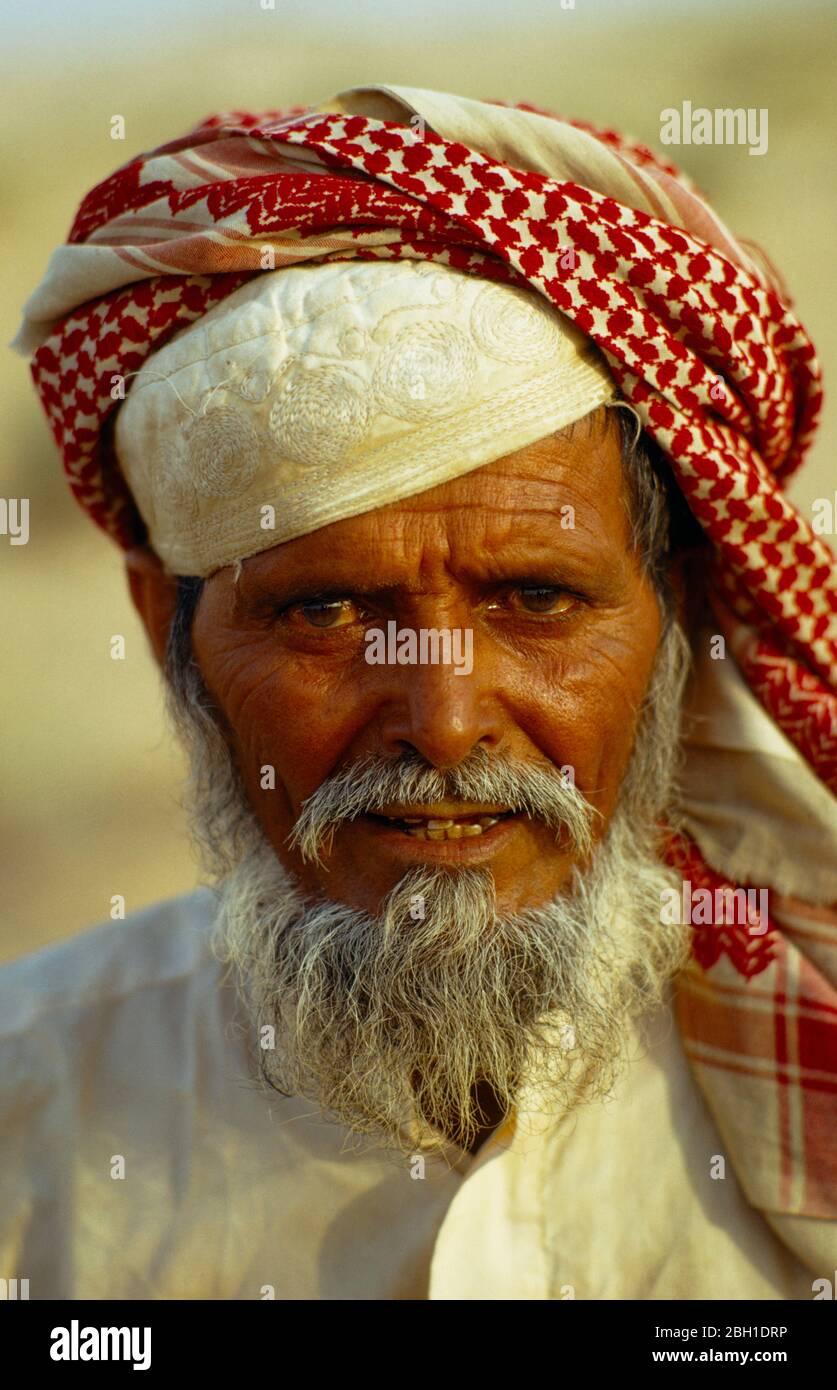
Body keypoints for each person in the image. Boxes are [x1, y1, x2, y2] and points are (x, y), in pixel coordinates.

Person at [2, 82, 835, 1301]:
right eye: (324, 612)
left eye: (537, 599)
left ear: (682, 611)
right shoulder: (30, 1116)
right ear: (159, 621)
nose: (444, 724)